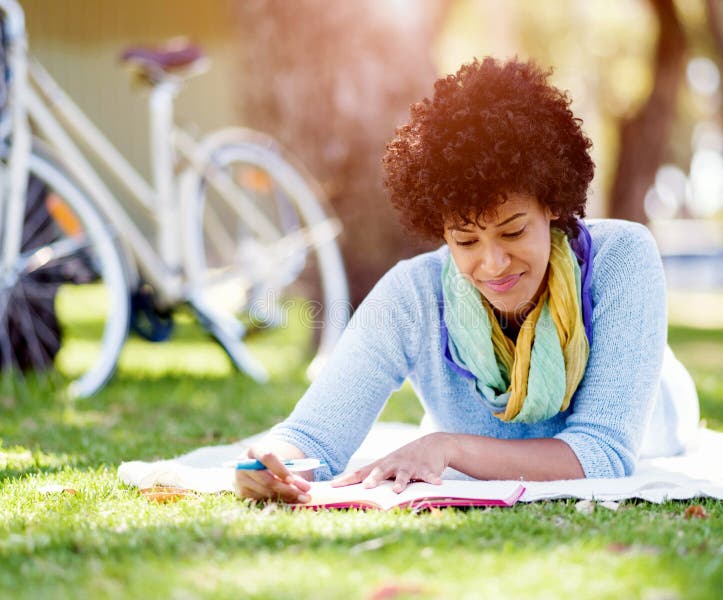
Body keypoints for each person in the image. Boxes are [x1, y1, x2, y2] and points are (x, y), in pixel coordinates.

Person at [233, 57, 699, 503]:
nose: (493, 264)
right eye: (466, 240)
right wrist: (273, 464)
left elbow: (604, 453)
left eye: (513, 232)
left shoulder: (621, 256)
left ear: (552, 206)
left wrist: (450, 447)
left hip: (658, 412)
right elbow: (313, 436)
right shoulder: (413, 293)